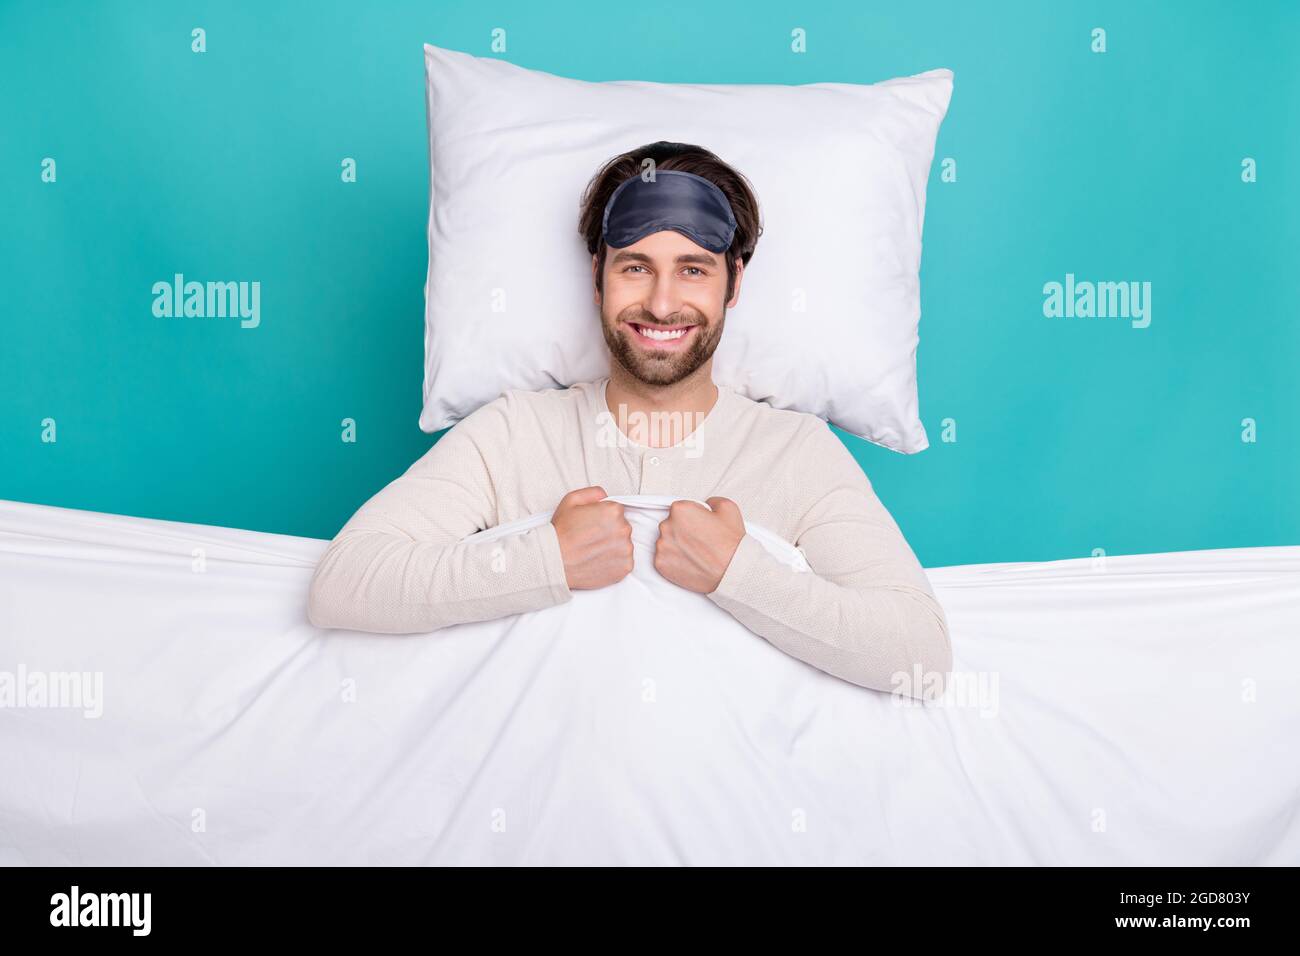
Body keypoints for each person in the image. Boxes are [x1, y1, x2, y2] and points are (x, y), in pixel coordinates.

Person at [308, 141, 951, 698]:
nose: (663, 303)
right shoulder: (510, 433)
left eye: (692, 270)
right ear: (597, 277)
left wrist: (741, 575)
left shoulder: (796, 453)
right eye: (636, 267)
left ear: (734, 282)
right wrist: (543, 560)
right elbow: (343, 584)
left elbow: (919, 654)